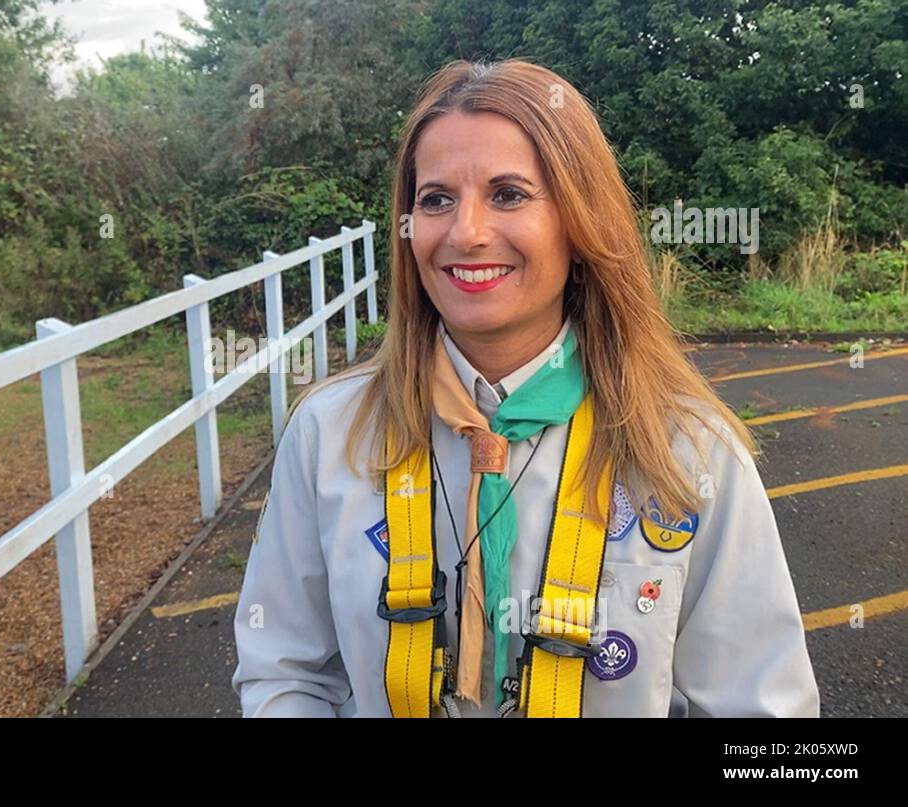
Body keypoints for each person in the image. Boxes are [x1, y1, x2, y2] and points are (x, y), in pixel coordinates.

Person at [230, 58, 820, 718]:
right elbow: (284, 671)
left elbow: (762, 712)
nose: (466, 232)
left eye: (508, 194)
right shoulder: (328, 435)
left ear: (579, 221)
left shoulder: (689, 452)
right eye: (436, 199)